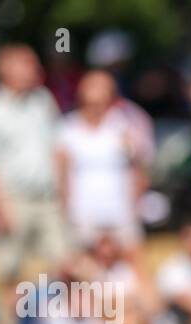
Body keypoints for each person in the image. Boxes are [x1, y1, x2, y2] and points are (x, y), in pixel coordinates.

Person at [0, 46, 69, 291]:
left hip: (48, 199)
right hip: (13, 200)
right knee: (10, 272)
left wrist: (64, 193)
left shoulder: (43, 100)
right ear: (6, 70)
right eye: (27, 64)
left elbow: (58, 149)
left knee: (65, 264)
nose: (35, 70)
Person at [56, 70, 147, 250]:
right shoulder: (67, 128)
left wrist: (135, 204)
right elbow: (61, 173)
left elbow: (138, 167)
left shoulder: (124, 124)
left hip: (120, 211)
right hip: (82, 212)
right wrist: (65, 207)